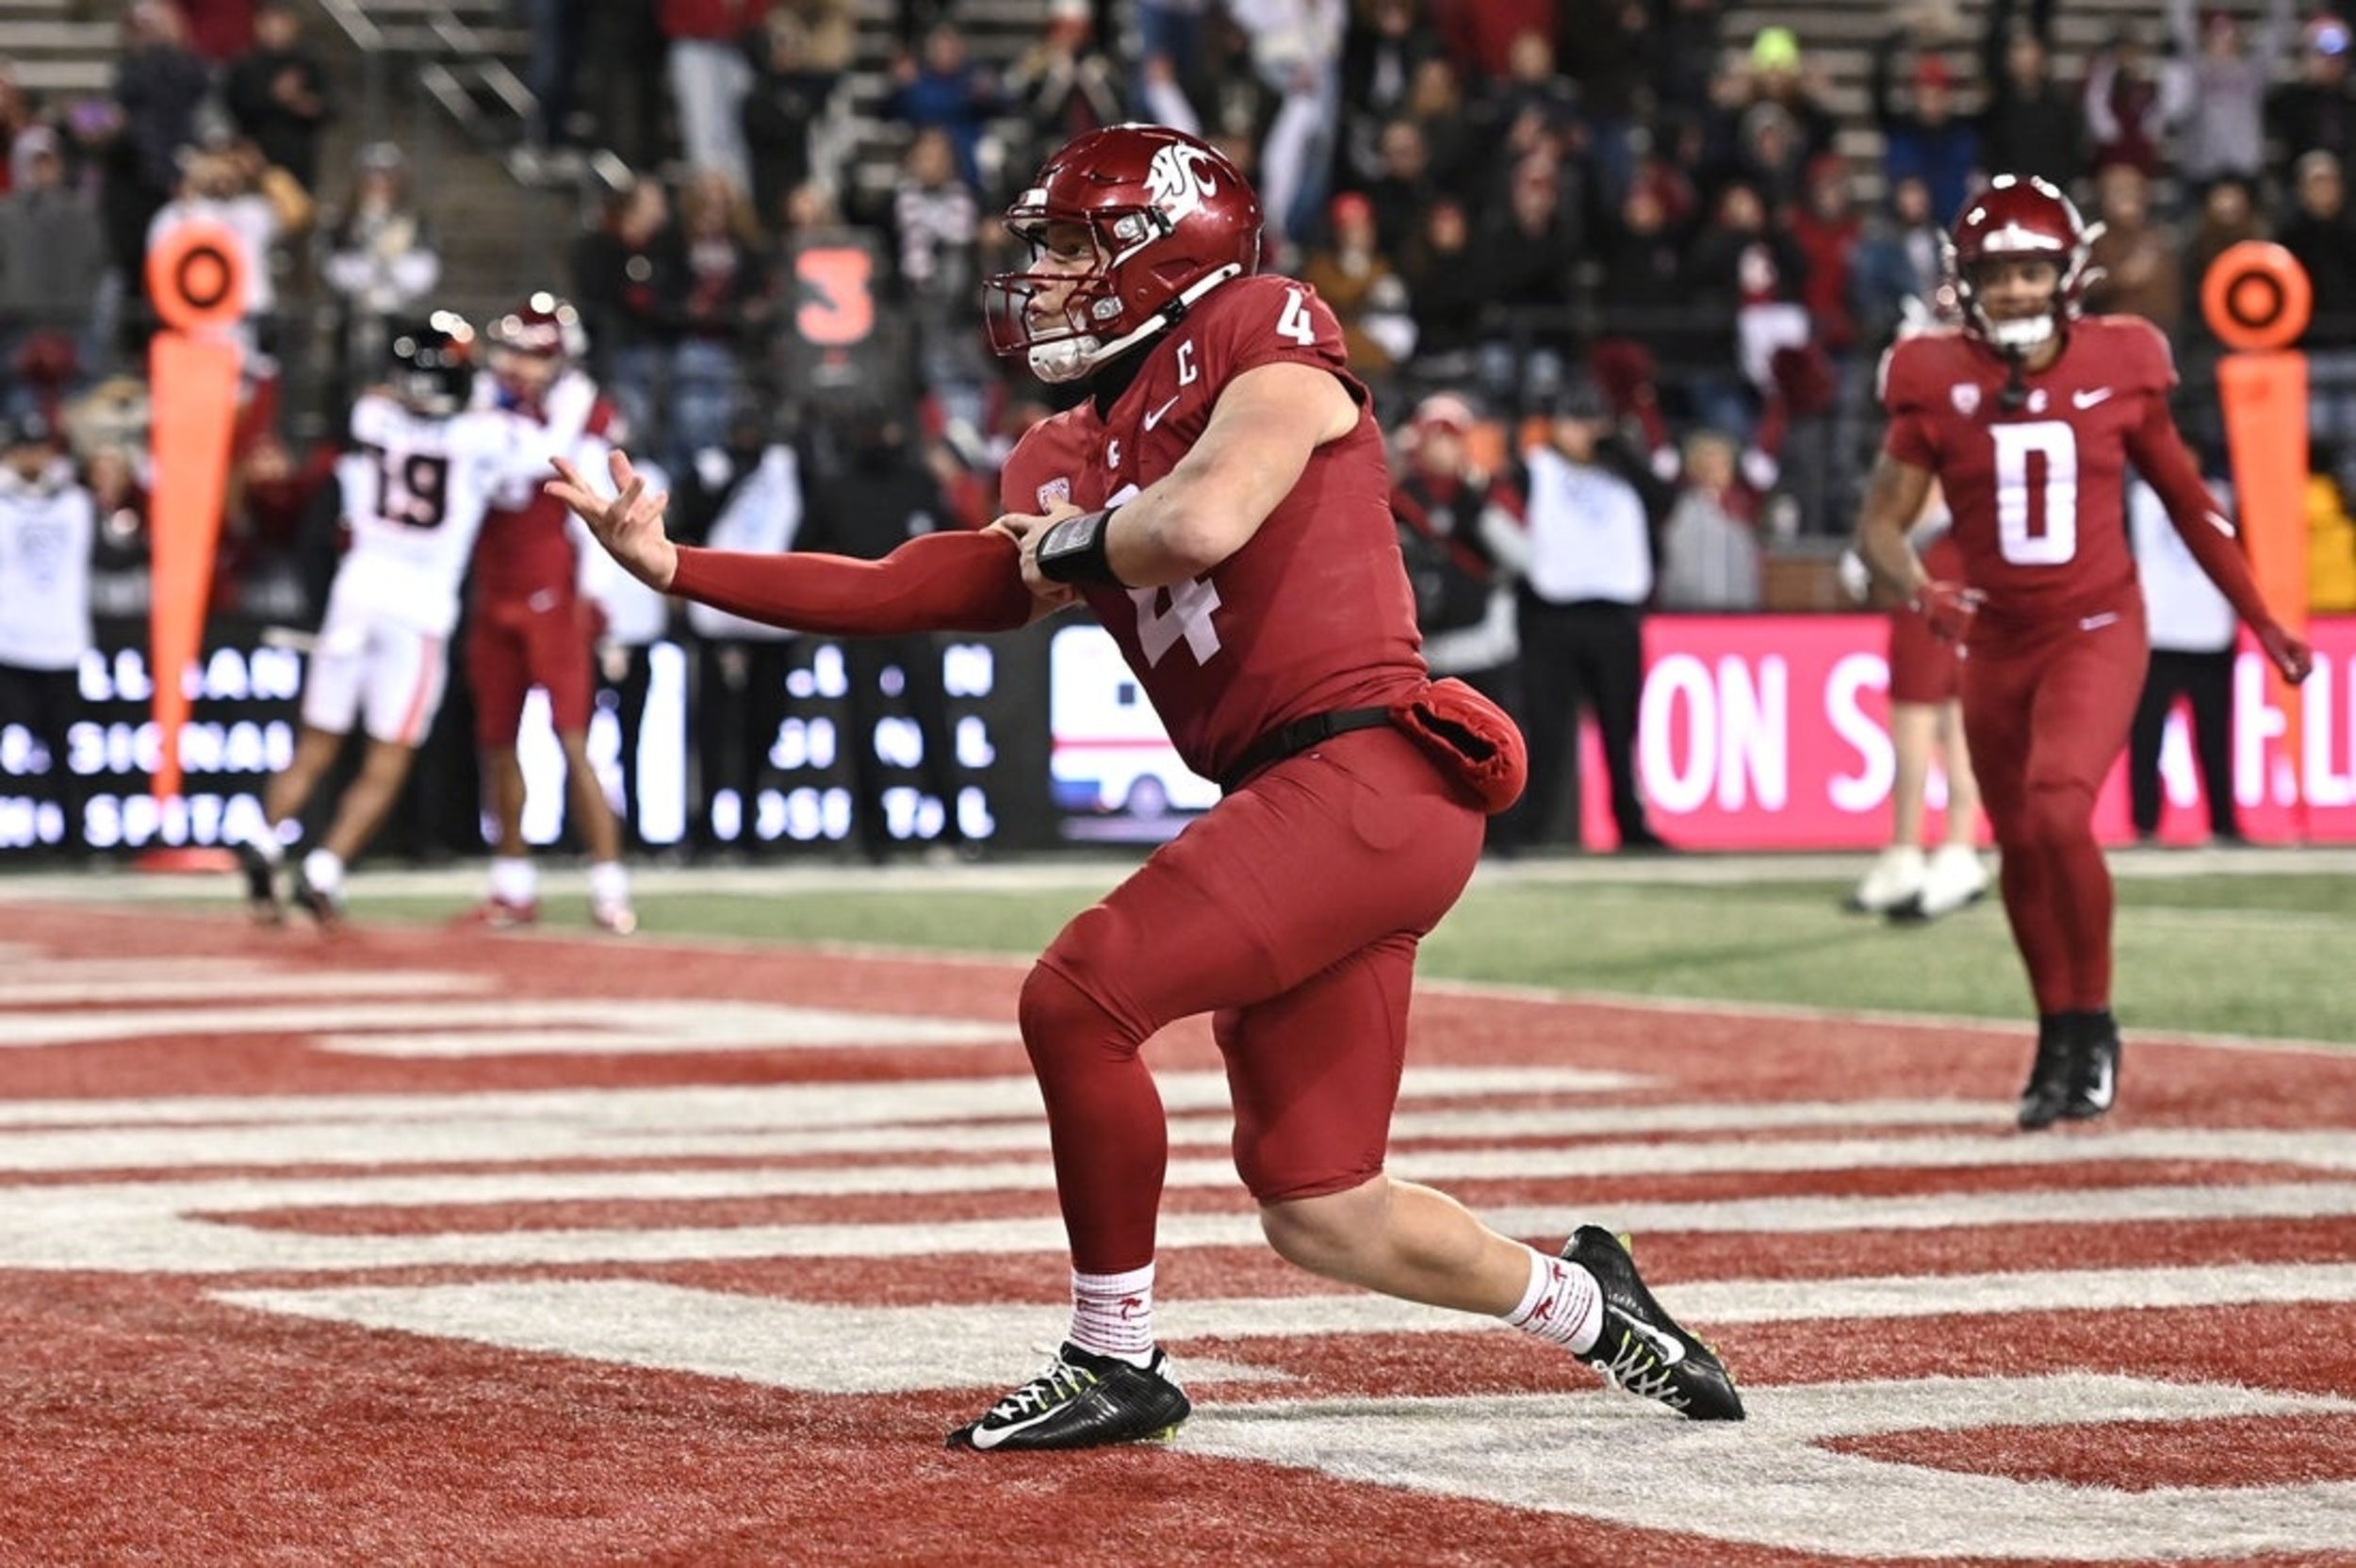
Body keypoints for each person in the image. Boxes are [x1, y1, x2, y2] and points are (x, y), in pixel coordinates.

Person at [548, 122, 1742, 1449]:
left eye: (1072, 245)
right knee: (1318, 1198)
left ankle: (1114, 1353)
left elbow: (1200, 520)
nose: (1048, 277)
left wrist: (1056, 545)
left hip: (1364, 767)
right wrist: (677, 568)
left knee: (1079, 998)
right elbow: (914, 586)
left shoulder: (1260, 323)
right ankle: (1597, 1308)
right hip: (1303, 796)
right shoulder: (1059, 450)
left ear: (1164, 245)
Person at [1851, 174, 2313, 1133]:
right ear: (1966, 280)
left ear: (2068, 273)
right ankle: (2054, 1029)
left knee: (2060, 807)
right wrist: (1919, 587)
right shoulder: (1934, 377)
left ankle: (2093, 1017)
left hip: (2096, 628)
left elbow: (2189, 503)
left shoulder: (2122, 360)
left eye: (2031, 269)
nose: (2016, 289)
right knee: (2017, 837)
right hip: (1996, 639)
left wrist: (2261, 616)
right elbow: (1877, 528)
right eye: (1998, 272)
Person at [231, 316, 555, 923]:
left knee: (317, 744)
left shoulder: (370, 416)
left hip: (356, 593)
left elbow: (385, 403)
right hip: (419, 611)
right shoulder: (482, 435)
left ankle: (267, 838)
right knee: (390, 754)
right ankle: (325, 870)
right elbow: (541, 453)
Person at [464, 292, 636, 934]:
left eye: (534, 357)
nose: (520, 369)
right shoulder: (483, 404)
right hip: (493, 585)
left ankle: (609, 883)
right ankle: (512, 881)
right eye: (513, 353)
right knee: (498, 742)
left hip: (552, 591)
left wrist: (601, 605)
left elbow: (585, 505)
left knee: (574, 741)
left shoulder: (581, 410)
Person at [1842, 482, 1988, 922]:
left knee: (1915, 728)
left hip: (1928, 586)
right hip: (1967, 585)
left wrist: (1871, 547)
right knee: (1957, 726)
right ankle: (1957, 847)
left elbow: (1924, 507)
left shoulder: (1933, 430)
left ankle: (1908, 850)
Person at [2126, 471, 2243, 845]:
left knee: (2215, 739)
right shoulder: (2137, 495)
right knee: (2146, 738)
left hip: (2211, 632)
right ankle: (2145, 824)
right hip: (2157, 635)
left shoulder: (2225, 492)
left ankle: (2223, 823)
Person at [0, 409, 95, 860]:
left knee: (64, 751)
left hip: (62, 644)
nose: (31, 458)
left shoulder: (76, 502)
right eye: (23, 449)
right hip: (8, 645)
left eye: (39, 448)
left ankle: (75, 843)